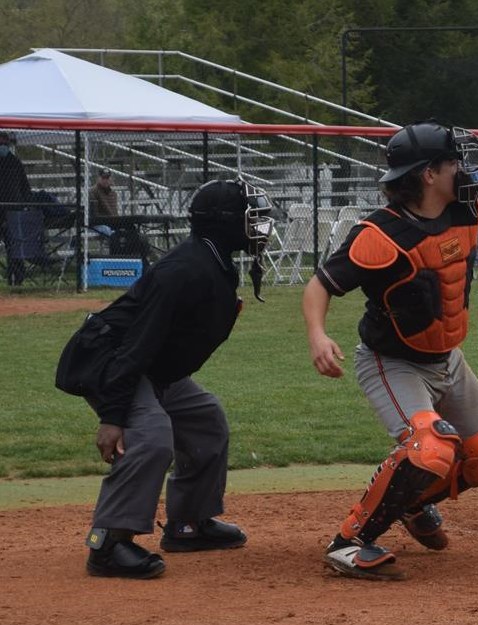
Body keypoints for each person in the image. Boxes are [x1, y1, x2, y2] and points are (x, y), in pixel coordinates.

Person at [302, 108, 478, 579]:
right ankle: (349, 542)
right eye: (453, 162)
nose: (462, 169)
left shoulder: (464, 206)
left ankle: (411, 504)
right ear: (429, 174)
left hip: (448, 359)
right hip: (394, 362)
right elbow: (321, 285)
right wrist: (318, 335)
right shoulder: (380, 235)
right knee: (430, 448)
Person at [55, 177, 275, 579]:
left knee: (205, 421)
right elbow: (136, 345)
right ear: (224, 223)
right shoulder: (185, 269)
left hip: (147, 366)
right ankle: (108, 543)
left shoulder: (213, 259)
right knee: (153, 436)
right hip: (112, 362)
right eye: (249, 216)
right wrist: (114, 416)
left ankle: (189, 525)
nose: (259, 224)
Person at [0, 131, 33, 285]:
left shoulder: (15, 162)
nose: (3, 147)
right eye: (1, 144)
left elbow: (25, 188)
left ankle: (17, 278)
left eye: (5, 144)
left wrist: (25, 206)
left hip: (13, 210)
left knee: (14, 244)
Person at [89, 168, 119, 238]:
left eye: (107, 178)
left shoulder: (113, 193)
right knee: (107, 230)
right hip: (98, 223)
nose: (105, 180)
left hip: (112, 222)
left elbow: (115, 212)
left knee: (128, 228)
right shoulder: (93, 192)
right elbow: (94, 215)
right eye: (103, 178)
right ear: (98, 178)